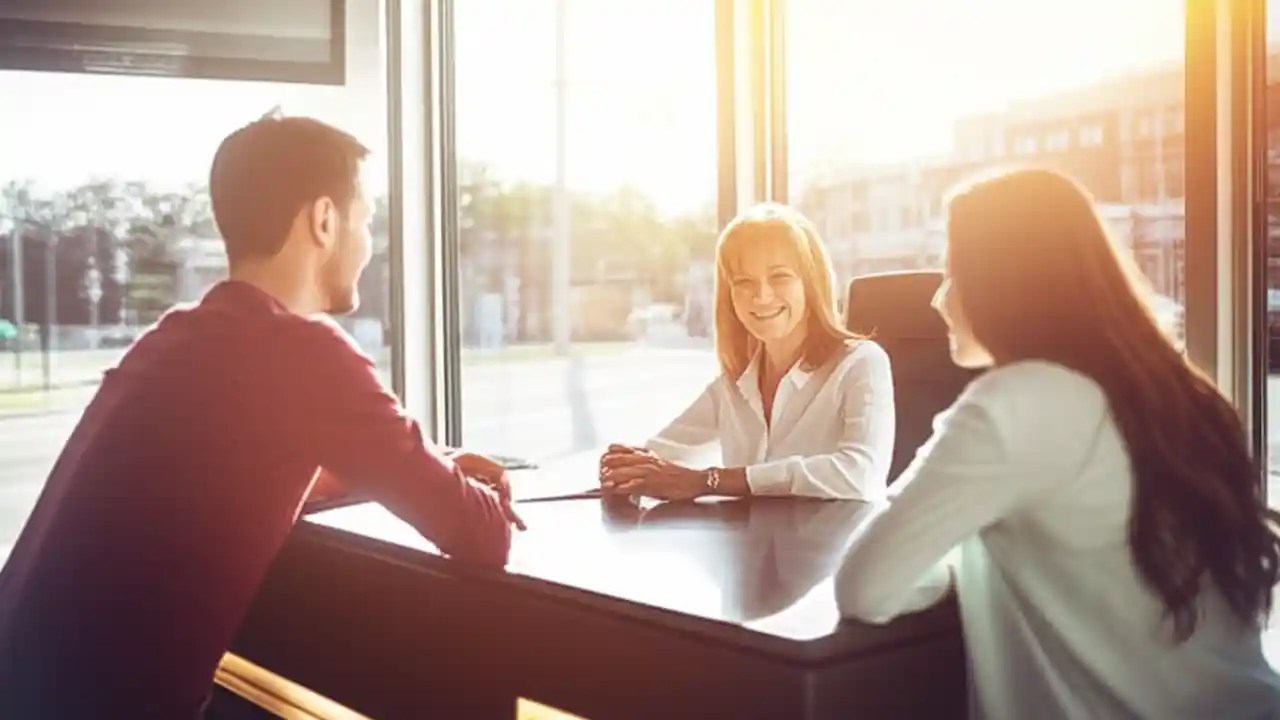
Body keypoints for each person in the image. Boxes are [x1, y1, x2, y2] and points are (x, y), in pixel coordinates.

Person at [0, 113, 522, 718]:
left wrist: (428, 465)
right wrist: (455, 482)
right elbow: (484, 536)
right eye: (368, 220)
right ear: (324, 219)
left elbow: (232, 478)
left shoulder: (174, 337)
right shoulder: (304, 351)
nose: (370, 246)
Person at [834, 168, 1280, 718]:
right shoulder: (1181, 396)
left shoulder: (1017, 401)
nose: (938, 300)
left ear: (1006, 282)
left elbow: (865, 586)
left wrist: (950, 553)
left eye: (953, 274)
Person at [599, 202, 894, 501]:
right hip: (752, 546)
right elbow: (661, 453)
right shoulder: (735, 384)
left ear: (811, 284)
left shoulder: (860, 363)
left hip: (839, 546)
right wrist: (626, 467)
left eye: (780, 277)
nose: (762, 296)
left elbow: (860, 475)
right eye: (743, 282)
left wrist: (713, 481)